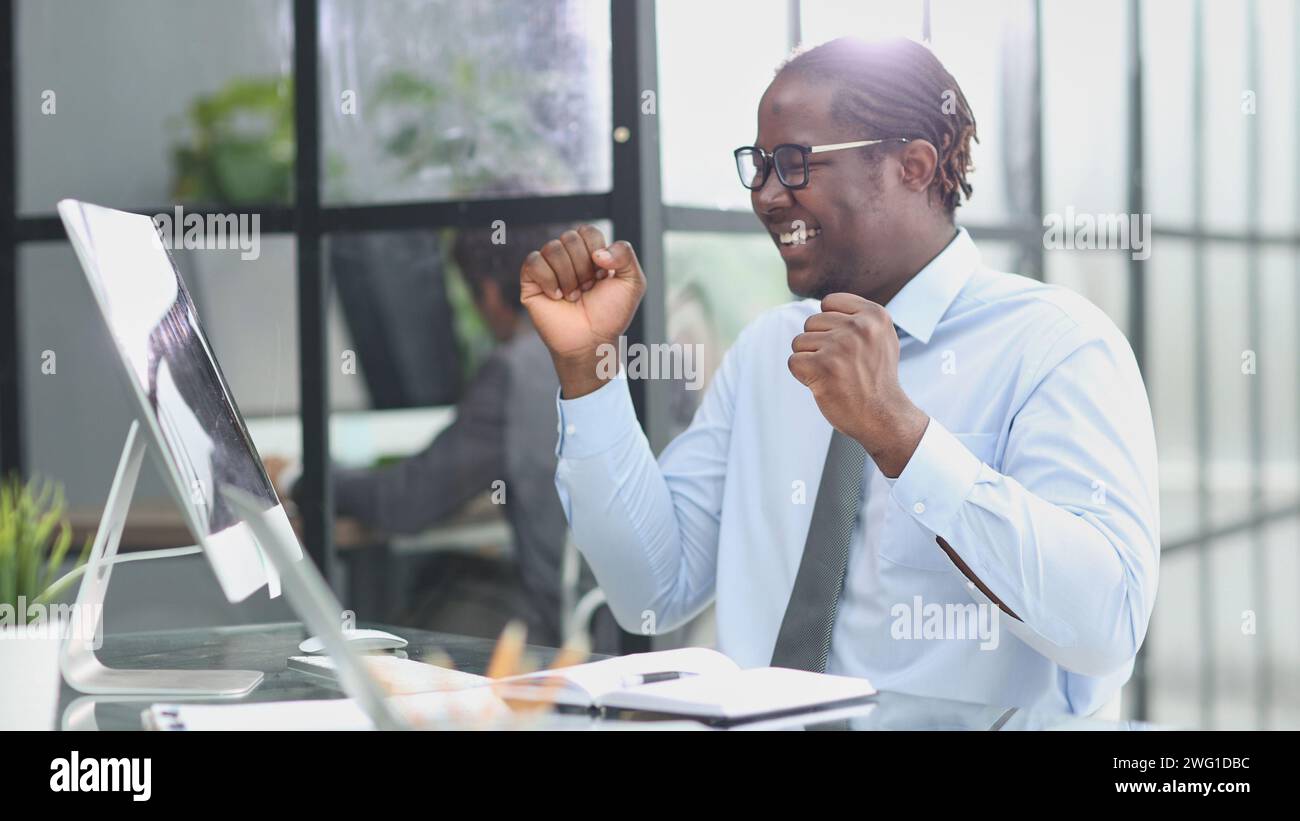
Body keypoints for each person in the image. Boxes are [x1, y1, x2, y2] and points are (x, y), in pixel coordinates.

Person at [519, 37, 1159, 715]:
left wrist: (902, 437)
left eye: (795, 163)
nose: (766, 195)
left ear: (914, 165)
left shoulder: (1055, 345)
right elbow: (651, 590)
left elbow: (1107, 627)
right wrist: (587, 368)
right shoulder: (770, 350)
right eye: (759, 165)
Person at [274, 223, 593, 648]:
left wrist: (298, 474)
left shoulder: (515, 370)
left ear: (491, 294)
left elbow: (404, 501)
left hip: (571, 631)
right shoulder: (611, 342)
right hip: (636, 621)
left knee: (434, 599)